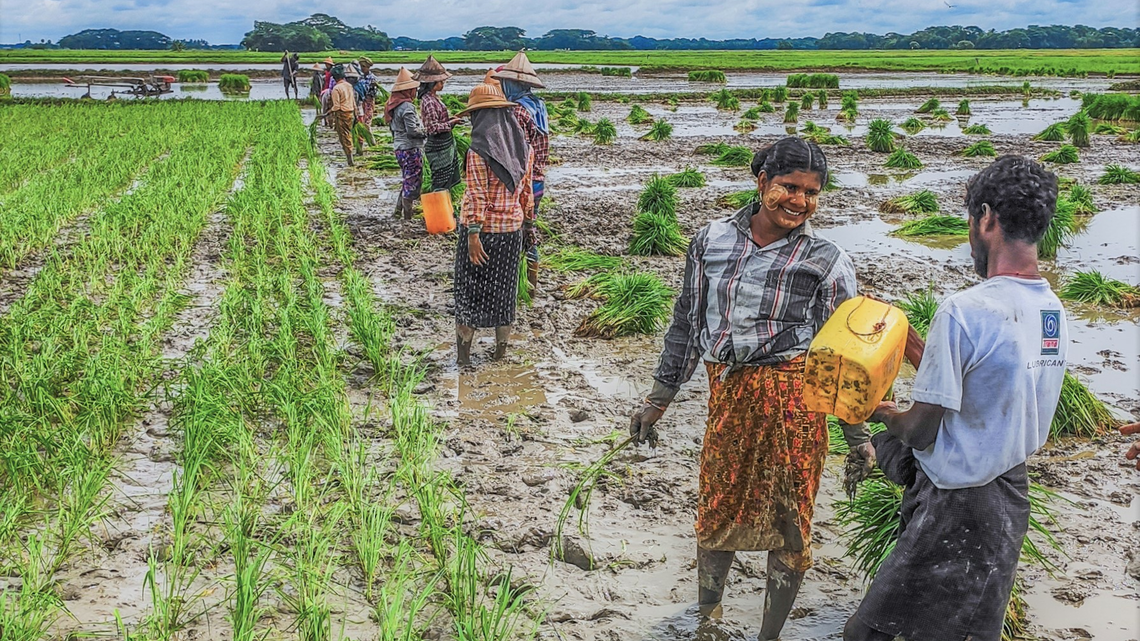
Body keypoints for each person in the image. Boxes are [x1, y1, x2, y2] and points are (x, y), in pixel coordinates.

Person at [628, 136, 870, 641]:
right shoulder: (711, 241)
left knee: (789, 519)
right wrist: (658, 400)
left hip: (794, 410)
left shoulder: (827, 260)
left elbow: (842, 359)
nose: (799, 202)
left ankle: (768, 636)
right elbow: (687, 326)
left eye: (811, 192)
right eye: (788, 187)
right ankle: (708, 621)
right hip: (729, 401)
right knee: (717, 506)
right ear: (761, 183)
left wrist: (857, 439)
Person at [844, 155, 1069, 641]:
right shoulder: (1051, 309)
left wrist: (876, 406)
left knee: (869, 634)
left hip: (958, 503)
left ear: (986, 217)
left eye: (972, 218)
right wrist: (925, 357)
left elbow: (920, 431)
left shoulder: (966, 309)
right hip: (1010, 493)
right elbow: (995, 384)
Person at [453, 80, 533, 365]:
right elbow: (526, 193)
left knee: (469, 292)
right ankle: (500, 353)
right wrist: (528, 226)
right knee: (504, 292)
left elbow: (476, 194)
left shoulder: (478, 150)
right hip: (512, 231)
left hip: (482, 233)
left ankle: (464, 358)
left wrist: (473, 234)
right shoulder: (523, 147)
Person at [494, 52, 550, 294]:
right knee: (529, 228)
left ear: (512, 84)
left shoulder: (517, 111)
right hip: (538, 179)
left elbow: (516, 153)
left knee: (515, 232)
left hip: (522, 181)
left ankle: (515, 285)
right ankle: (531, 286)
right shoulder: (538, 106)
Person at [414, 56, 462, 193]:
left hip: (444, 144)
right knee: (440, 182)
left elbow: (439, 121)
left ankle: (445, 211)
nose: (443, 84)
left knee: (445, 182)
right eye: (441, 82)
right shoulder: (428, 101)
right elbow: (432, 128)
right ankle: (437, 211)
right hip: (438, 147)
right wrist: (451, 123)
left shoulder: (434, 98)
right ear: (432, 83)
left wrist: (450, 119)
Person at [384, 67, 427, 220]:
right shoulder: (407, 106)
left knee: (407, 179)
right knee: (411, 181)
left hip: (399, 148)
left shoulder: (394, 105)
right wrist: (427, 131)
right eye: (414, 89)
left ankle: (397, 212)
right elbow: (412, 131)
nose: (416, 92)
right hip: (410, 148)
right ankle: (407, 217)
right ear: (408, 90)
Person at [329, 65, 357, 166]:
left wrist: (326, 113)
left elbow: (336, 106)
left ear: (334, 77)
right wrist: (356, 114)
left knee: (344, 137)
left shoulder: (336, 89)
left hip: (342, 114)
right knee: (348, 134)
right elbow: (353, 101)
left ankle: (350, 159)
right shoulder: (349, 86)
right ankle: (350, 157)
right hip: (351, 113)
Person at [355, 57, 380, 143]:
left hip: (369, 103)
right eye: (361, 66)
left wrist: (373, 87)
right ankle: (360, 143)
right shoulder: (359, 77)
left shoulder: (373, 78)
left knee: (366, 124)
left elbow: (374, 94)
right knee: (359, 123)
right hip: (360, 102)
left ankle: (372, 143)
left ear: (368, 67)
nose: (362, 68)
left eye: (364, 67)